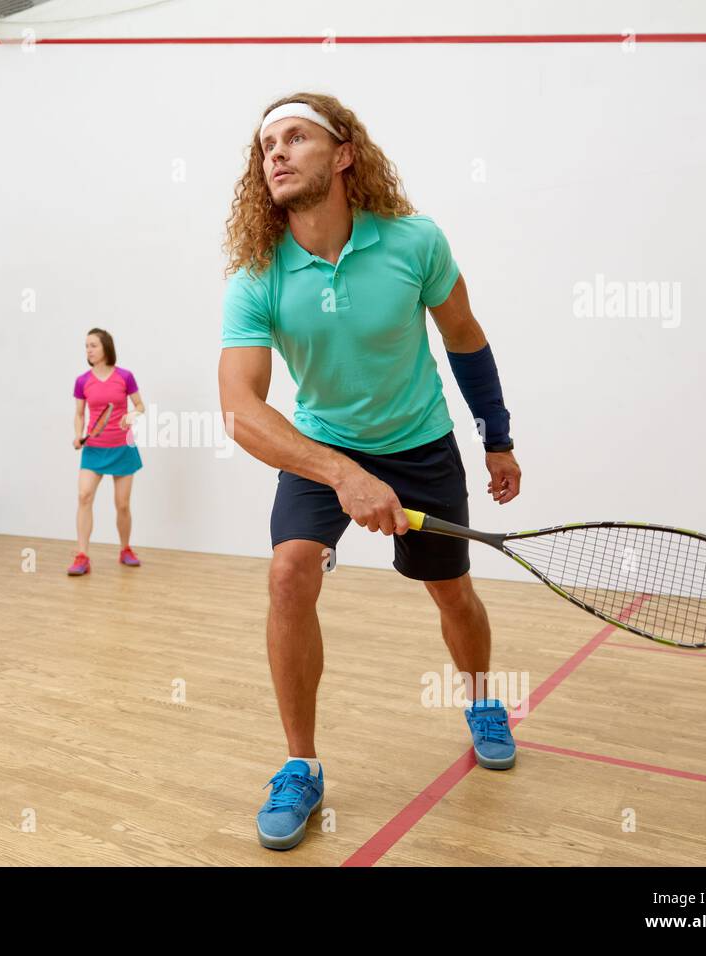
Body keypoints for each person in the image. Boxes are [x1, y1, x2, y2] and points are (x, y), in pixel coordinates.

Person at [218, 93, 523, 850]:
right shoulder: (258, 275)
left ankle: (483, 700)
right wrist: (341, 474)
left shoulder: (415, 242)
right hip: (323, 449)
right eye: (266, 147)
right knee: (289, 572)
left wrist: (497, 439)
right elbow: (241, 411)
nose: (276, 155)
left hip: (421, 445)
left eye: (296, 138)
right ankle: (300, 765)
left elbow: (464, 338)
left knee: (450, 591)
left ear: (344, 153)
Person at [69, 328, 145, 575]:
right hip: (94, 450)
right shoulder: (83, 381)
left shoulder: (125, 376)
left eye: (93, 345)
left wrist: (133, 414)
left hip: (123, 447)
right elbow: (80, 414)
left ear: (105, 348)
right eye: (86, 346)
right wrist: (78, 435)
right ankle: (82, 555)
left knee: (122, 505)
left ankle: (125, 549)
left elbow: (140, 406)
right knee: (84, 496)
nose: (88, 350)